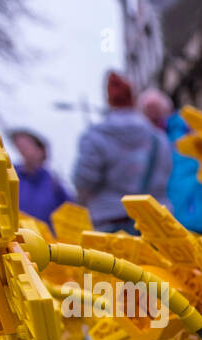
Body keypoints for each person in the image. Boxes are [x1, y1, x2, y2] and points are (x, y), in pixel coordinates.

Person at [71, 72, 172, 233]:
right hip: (152, 224)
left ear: (109, 100)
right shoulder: (159, 138)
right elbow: (165, 177)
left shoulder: (96, 136)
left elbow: (82, 181)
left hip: (108, 224)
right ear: (134, 99)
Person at [139, 88, 202, 234]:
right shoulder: (149, 143)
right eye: (148, 112)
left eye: (156, 111)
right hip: (168, 220)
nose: (153, 116)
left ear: (166, 111)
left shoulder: (186, 135)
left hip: (193, 217)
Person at [9, 129, 71, 226]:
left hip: (44, 238)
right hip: (13, 234)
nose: (24, 151)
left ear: (41, 151)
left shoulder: (54, 183)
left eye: (27, 147)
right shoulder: (9, 174)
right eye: (20, 147)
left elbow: (69, 212)